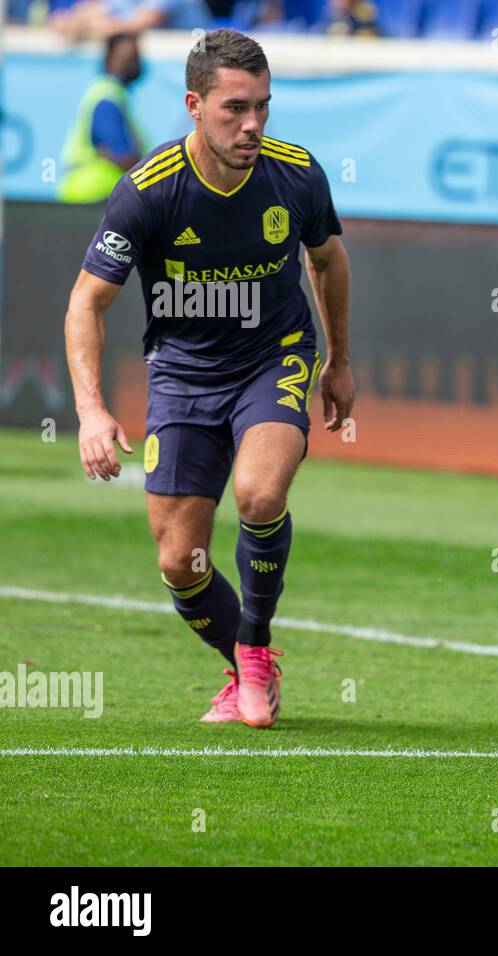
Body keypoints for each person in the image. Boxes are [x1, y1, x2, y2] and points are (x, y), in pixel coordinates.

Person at [63, 29, 355, 728]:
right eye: (234, 109)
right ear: (195, 105)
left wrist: (338, 360)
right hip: (184, 376)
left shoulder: (297, 174)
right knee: (180, 564)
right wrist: (91, 411)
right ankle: (245, 665)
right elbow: (86, 302)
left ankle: (253, 647)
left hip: (273, 359)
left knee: (259, 493)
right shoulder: (148, 191)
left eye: (262, 106)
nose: (252, 124)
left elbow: (328, 261)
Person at [58, 33, 147, 204]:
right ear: (110, 59)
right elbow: (119, 152)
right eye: (129, 57)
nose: (135, 63)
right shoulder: (107, 95)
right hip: (95, 192)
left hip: (92, 192)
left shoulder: (111, 94)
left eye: (137, 57)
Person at [51, 0, 211, 41]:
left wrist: (84, 30)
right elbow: (94, 9)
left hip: (197, 68)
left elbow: (134, 26)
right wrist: (72, 22)